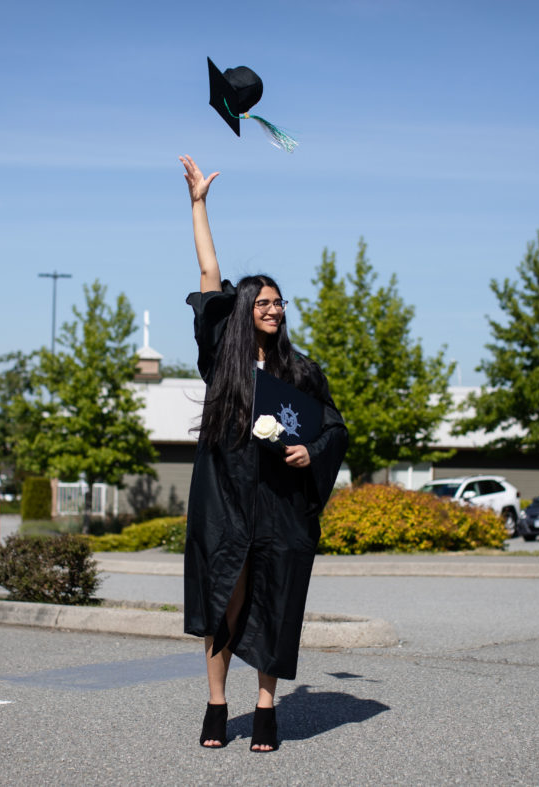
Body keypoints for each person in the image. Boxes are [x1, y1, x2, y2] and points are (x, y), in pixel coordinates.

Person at [180, 155, 348, 752]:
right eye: (263, 303)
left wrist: (310, 453)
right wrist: (199, 204)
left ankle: (267, 708)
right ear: (245, 310)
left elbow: (333, 429)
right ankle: (217, 705)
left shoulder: (300, 373)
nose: (274, 310)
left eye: (279, 303)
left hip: (278, 505)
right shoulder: (222, 362)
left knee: (273, 601)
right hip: (226, 501)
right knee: (225, 600)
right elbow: (208, 270)